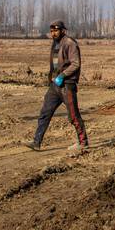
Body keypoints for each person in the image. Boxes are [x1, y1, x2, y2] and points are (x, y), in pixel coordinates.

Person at [27, 20, 88, 152]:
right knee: (45, 112)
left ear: (63, 31)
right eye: (52, 31)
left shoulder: (70, 43)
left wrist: (63, 76)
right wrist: (53, 78)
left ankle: (83, 142)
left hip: (67, 85)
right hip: (55, 85)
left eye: (56, 31)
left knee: (73, 115)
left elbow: (75, 64)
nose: (53, 33)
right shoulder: (55, 44)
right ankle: (36, 142)